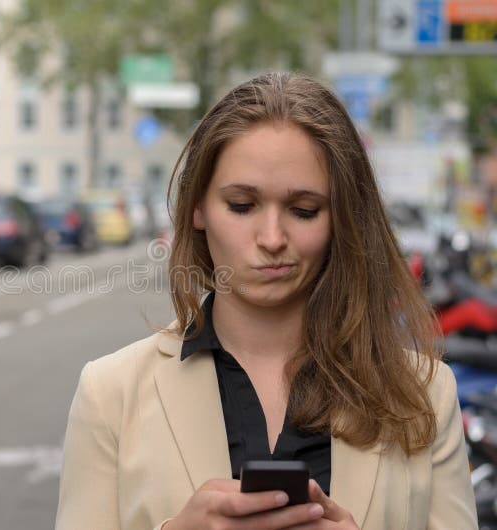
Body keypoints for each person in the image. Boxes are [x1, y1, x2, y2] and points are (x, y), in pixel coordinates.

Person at [55, 72, 477, 530]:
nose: (272, 238)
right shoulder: (110, 394)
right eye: (241, 205)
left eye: (303, 210)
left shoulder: (426, 394)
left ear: (343, 219)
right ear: (197, 208)